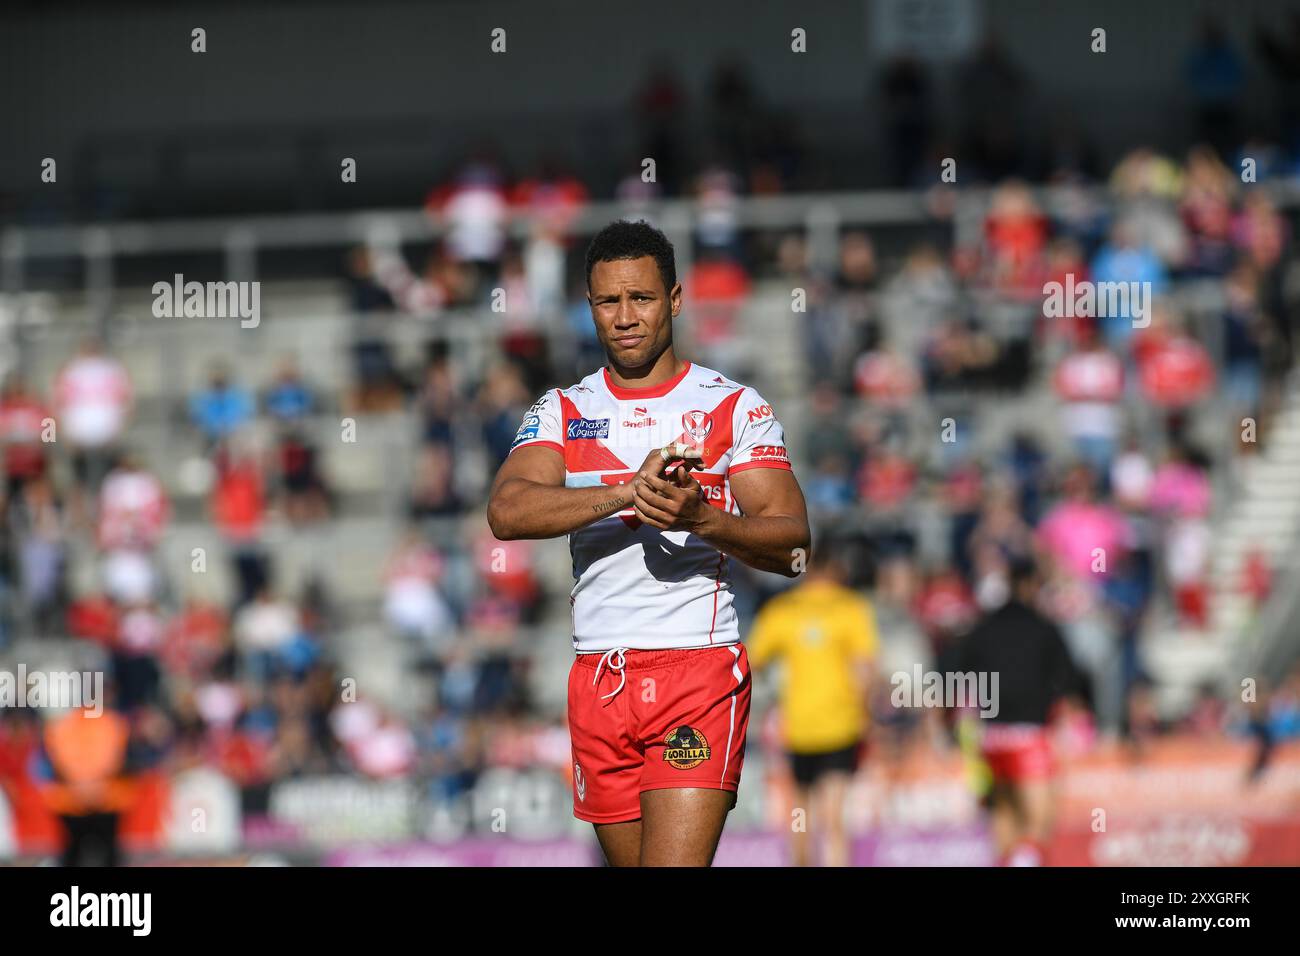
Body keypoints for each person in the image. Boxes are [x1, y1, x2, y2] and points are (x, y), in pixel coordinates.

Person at [487, 220, 810, 867]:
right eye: (609, 301)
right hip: (598, 676)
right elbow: (507, 509)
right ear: (590, 309)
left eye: (642, 298)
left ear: (676, 300)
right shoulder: (563, 409)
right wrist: (627, 493)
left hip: (695, 669)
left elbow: (793, 543)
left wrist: (706, 519)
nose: (625, 316)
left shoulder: (732, 405)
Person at [941, 557, 1079, 866]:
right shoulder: (1044, 628)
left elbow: (953, 672)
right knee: (1039, 821)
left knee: (1004, 814)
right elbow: (1068, 683)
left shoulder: (983, 627)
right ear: (1031, 585)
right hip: (1028, 736)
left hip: (990, 738)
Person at [747, 541, 878, 866]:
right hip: (840, 726)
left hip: (798, 727)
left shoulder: (783, 610)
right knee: (833, 817)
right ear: (835, 571)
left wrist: (769, 700)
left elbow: (751, 662)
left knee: (800, 816)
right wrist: (866, 714)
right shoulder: (850, 607)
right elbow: (865, 669)